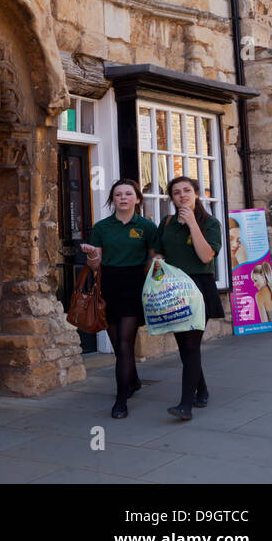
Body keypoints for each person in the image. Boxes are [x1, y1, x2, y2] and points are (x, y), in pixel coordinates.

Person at [80, 178, 158, 419]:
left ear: (137, 198)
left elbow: (155, 260)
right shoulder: (103, 227)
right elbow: (95, 266)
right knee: (117, 345)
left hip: (134, 286)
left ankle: (121, 400)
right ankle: (132, 380)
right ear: (112, 200)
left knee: (125, 343)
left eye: (127, 194)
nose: (123, 198)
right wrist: (92, 255)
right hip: (108, 285)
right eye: (118, 195)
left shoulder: (147, 226)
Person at [153, 176, 226, 420]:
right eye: (176, 192)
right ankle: (202, 389)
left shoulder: (210, 223)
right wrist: (158, 259)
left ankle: (186, 405)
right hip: (174, 289)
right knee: (184, 345)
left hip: (199, 287)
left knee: (192, 344)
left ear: (196, 194)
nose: (182, 195)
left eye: (187, 190)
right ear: (171, 198)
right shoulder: (166, 223)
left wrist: (193, 223)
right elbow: (159, 250)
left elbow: (206, 256)